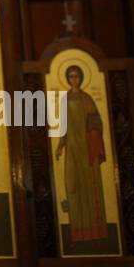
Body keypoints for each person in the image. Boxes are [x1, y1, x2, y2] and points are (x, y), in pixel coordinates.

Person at [54, 66, 108, 243]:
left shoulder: (87, 99)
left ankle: (94, 231)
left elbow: (96, 122)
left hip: (86, 150)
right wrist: (60, 145)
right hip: (72, 149)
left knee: (88, 188)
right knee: (73, 186)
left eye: (77, 76)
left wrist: (92, 136)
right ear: (68, 79)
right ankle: (77, 230)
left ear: (82, 78)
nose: (74, 79)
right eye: (71, 76)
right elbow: (63, 125)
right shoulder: (64, 100)